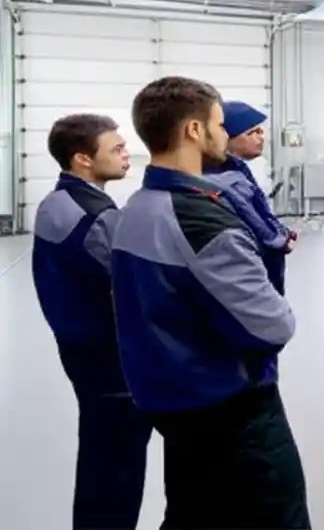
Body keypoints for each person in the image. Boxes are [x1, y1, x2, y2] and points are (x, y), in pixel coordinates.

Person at [110, 76, 310, 528]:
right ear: (194, 131)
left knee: (192, 511)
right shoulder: (200, 218)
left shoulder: (138, 207)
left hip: (172, 400)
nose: (226, 134)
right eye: (220, 124)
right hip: (231, 410)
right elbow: (272, 326)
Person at [31, 114, 152, 530]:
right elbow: (135, 287)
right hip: (110, 360)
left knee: (100, 453)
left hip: (77, 347)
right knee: (118, 465)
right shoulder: (99, 217)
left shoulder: (55, 201)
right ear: (82, 159)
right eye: (116, 149)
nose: (126, 155)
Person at [204, 100, 295, 294]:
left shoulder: (243, 166)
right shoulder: (221, 175)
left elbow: (261, 209)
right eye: (251, 133)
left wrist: (280, 230)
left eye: (260, 132)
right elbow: (250, 215)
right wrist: (279, 239)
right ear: (227, 137)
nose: (260, 138)